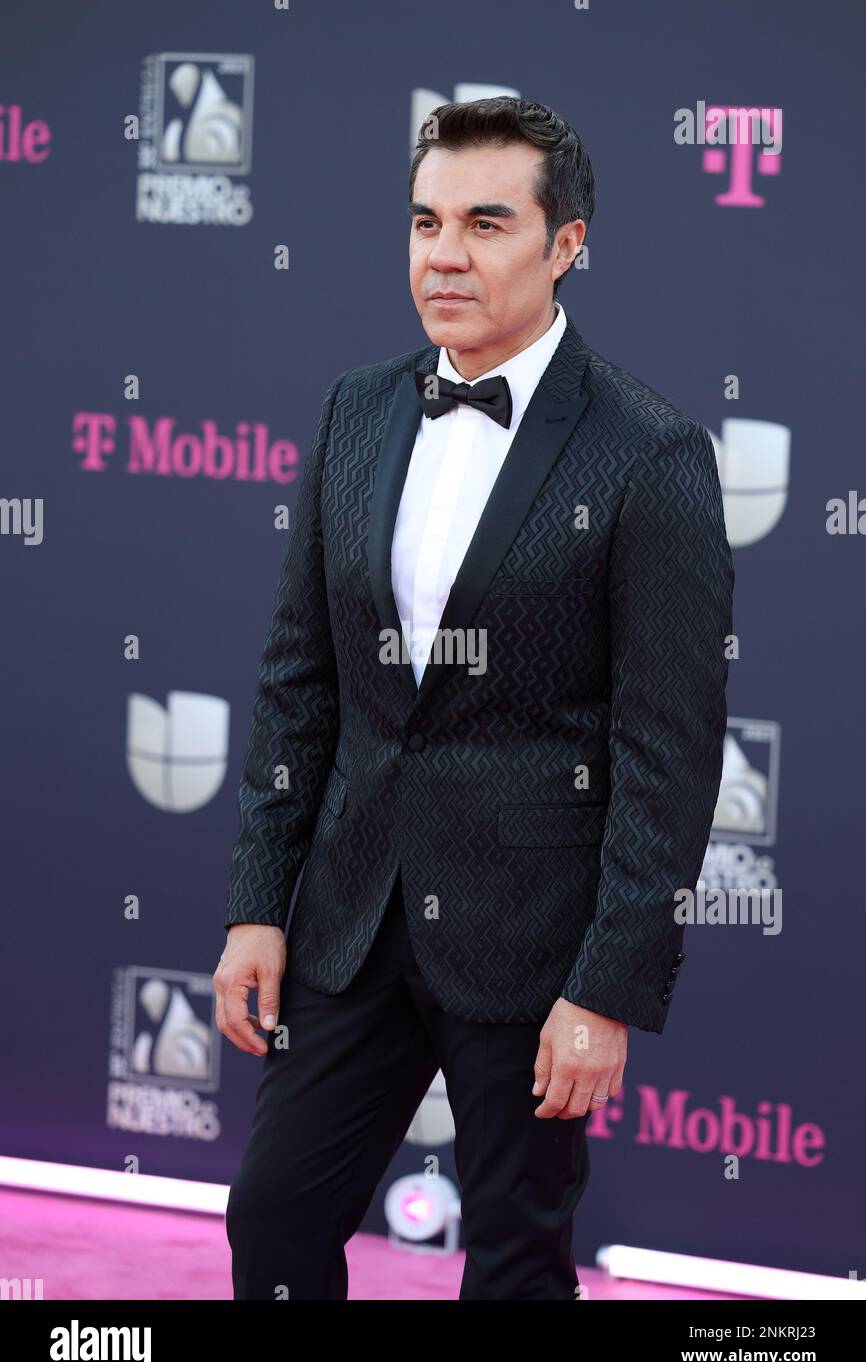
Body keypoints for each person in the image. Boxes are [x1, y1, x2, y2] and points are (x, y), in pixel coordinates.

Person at [215, 96, 734, 1301]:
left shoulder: (647, 452)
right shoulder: (356, 409)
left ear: (566, 245)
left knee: (513, 1262)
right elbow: (299, 681)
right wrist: (258, 903)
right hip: (351, 918)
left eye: (485, 223)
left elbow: (667, 749)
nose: (442, 254)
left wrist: (606, 987)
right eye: (423, 221)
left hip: (533, 943)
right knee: (273, 1219)